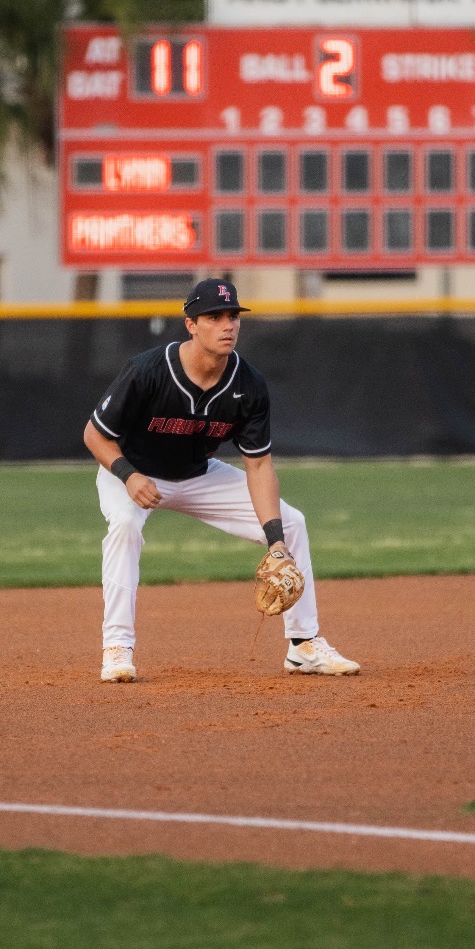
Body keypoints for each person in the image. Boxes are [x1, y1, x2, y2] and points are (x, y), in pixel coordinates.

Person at [82, 277, 360, 683]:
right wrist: (127, 475)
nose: (227, 325)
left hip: (198, 476)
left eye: (233, 316)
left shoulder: (248, 385)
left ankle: (304, 646)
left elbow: (259, 466)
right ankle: (117, 647)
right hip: (130, 471)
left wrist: (275, 541)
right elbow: (95, 434)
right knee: (124, 525)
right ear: (191, 324)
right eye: (214, 317)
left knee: (293, 524)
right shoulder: (147, 371)